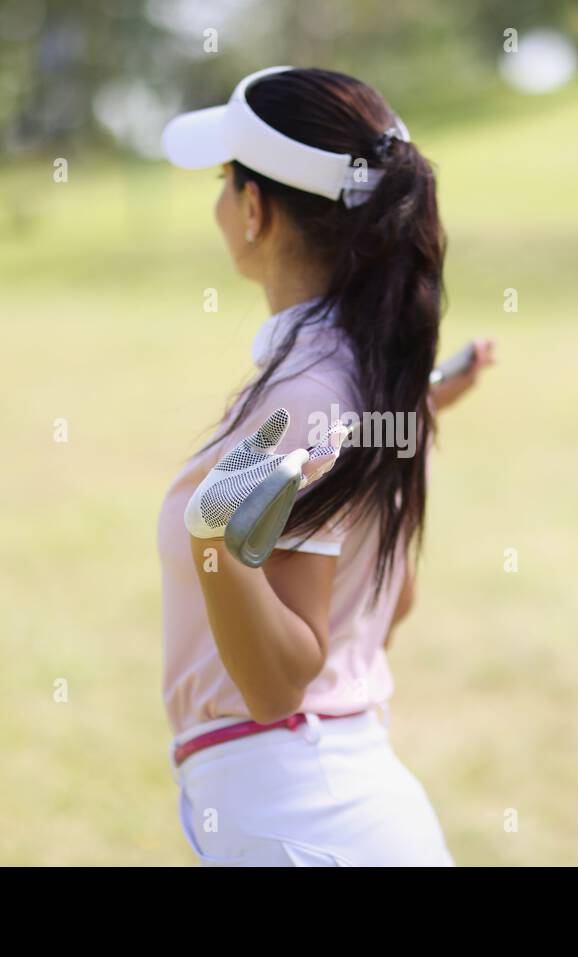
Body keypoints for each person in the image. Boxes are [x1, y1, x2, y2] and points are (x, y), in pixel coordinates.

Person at [156, 66, 495, 866]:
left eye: (222, 181)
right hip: (346, 812)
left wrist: (217, 537)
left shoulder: (313, 395)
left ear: (252, 209)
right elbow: (386, 603)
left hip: (300, 827)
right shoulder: (370, 382)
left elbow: (279, 682)